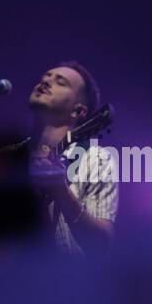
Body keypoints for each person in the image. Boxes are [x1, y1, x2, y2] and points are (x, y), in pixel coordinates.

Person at [25, 61, 117, 256]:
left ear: (78, 111)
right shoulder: (9, 156)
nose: (45, 82)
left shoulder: (96, 159)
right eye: (44, 78)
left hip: (64, 282)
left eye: (61, 82)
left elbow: (101, 243)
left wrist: (61, 191)